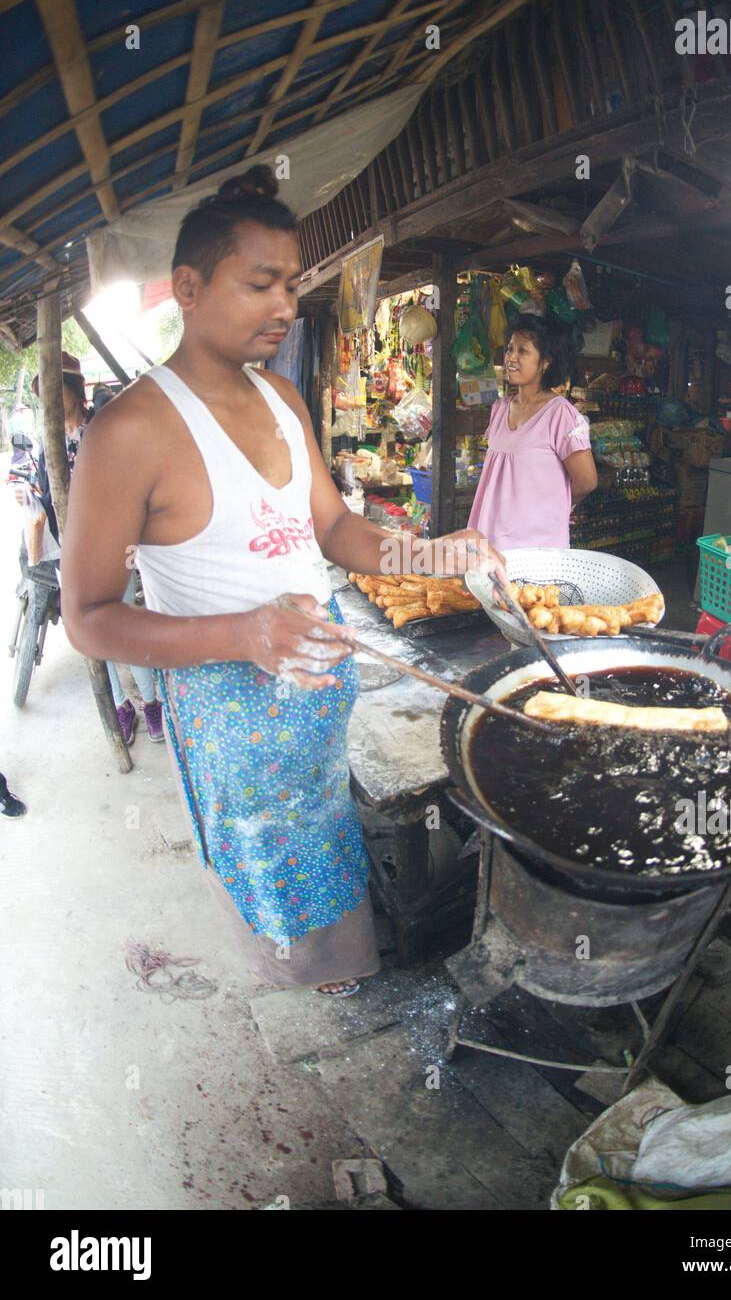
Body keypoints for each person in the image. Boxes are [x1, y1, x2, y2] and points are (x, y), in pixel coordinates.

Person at [61, 164, 504, 998]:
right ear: (188, 287)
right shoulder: (130, 430)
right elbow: (88, 617)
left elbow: (332, 528)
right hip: (231, 704)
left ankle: (339, 952)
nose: (285, 306)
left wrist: (434, 554)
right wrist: (244, 634)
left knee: (325, 821)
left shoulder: (282, 400)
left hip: (318, 674)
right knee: (271, 860)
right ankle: (309, 972)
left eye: (290, 284)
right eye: (261, 283)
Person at [30, 358, 164, 743]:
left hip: (110, 548)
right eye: (45, 396)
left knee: (121, 628)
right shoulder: (47, 443)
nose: (51, 402)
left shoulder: (99, 432)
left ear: (76, 390)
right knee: (89, 635)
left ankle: (151, 703)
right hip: (69, 555)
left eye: (58, 391)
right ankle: (121, 705)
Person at [468, 316, 597, 550]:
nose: (511, 358)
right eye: (509, 349)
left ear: (545, 362)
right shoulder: (499, 409)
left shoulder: (560, 414)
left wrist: (560, 505)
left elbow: (586, 480)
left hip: (536, 546)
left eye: (522, 351)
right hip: (491, 538)